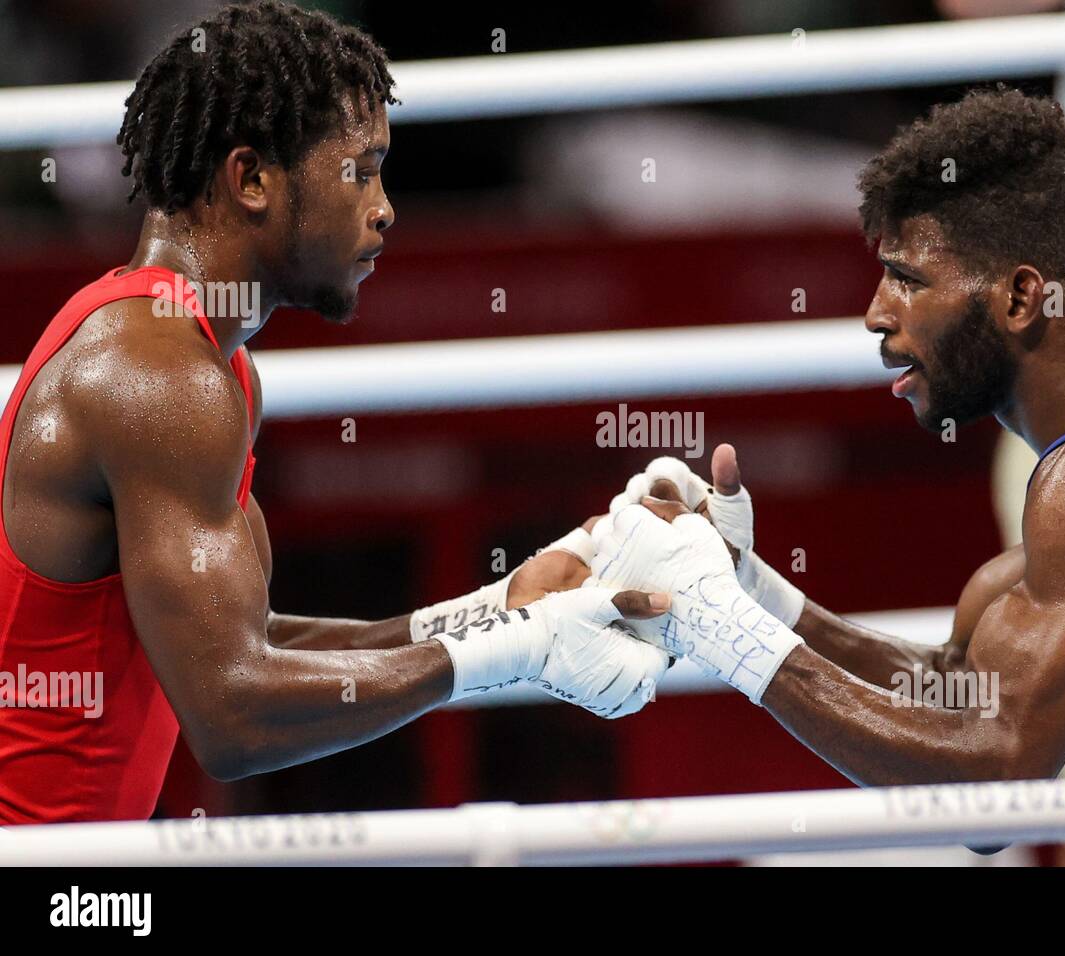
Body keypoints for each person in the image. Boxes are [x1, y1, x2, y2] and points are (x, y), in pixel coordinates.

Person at [0, 0, 669, 826]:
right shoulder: (157, 374)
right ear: (251, 180)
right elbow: (233, 712)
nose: (385, 208)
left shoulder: (207, 360)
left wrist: (499, 608)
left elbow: (251, 648)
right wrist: (515, 652)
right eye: (361, 170)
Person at [593, 88, 1065, 866]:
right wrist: (747, 590)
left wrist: (720, 632)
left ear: (1022, 297)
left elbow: (994, 788)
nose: (875, 312)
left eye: (907, 277)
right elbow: (961, 691)